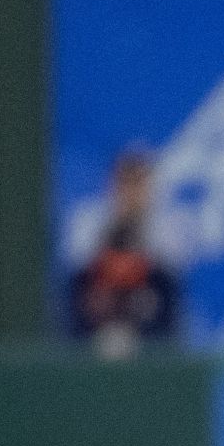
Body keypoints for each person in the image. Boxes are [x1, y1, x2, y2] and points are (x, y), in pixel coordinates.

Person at [69, 148, 181, 358]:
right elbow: (81, 278)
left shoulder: (165, 229)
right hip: (96, 328)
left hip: (148, 328)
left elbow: (165, 281)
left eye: (139, 183)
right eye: (126, 183)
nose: (132, 192)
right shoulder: (91, 222)